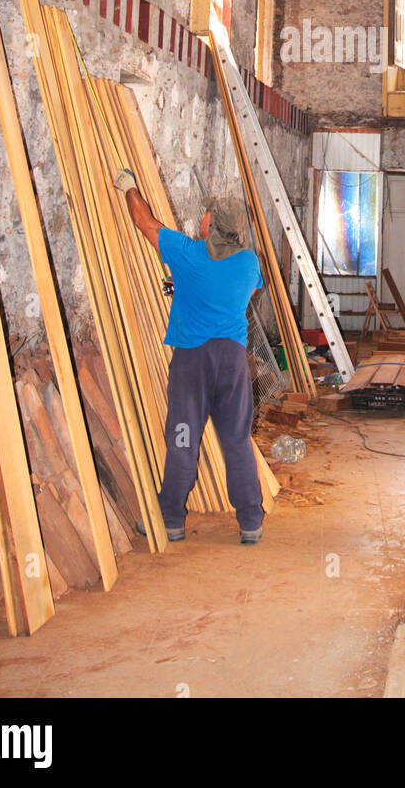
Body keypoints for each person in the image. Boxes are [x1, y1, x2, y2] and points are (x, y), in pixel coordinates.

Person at [114, 169, 265, 544]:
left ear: (211, 225)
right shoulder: (249, 262)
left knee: (183, 438)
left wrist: (129, 186)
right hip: (232, 360)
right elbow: (241, 297)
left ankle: (171, 520)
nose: (201, 218)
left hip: (192, 363)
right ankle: (250, 523)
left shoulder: (187, 254)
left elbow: (143, 222)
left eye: (206, 214)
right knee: (236, 440)